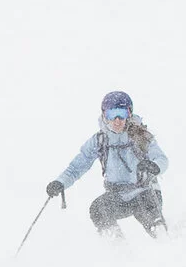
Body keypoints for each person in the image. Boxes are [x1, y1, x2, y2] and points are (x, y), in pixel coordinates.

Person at [47, 90, 169, 237]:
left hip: (144, 191)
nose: (117, 120)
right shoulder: (100, 141)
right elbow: (76, 168)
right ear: (105, 115)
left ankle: (166, 242)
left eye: (121, 114)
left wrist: (154, 166)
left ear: (129, 114)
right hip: (119, 196)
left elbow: (161, 159)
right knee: (98, 209)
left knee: (150, 217)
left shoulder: (140, 136)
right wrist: (60, 182)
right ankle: (118, 250)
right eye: (112, 114)